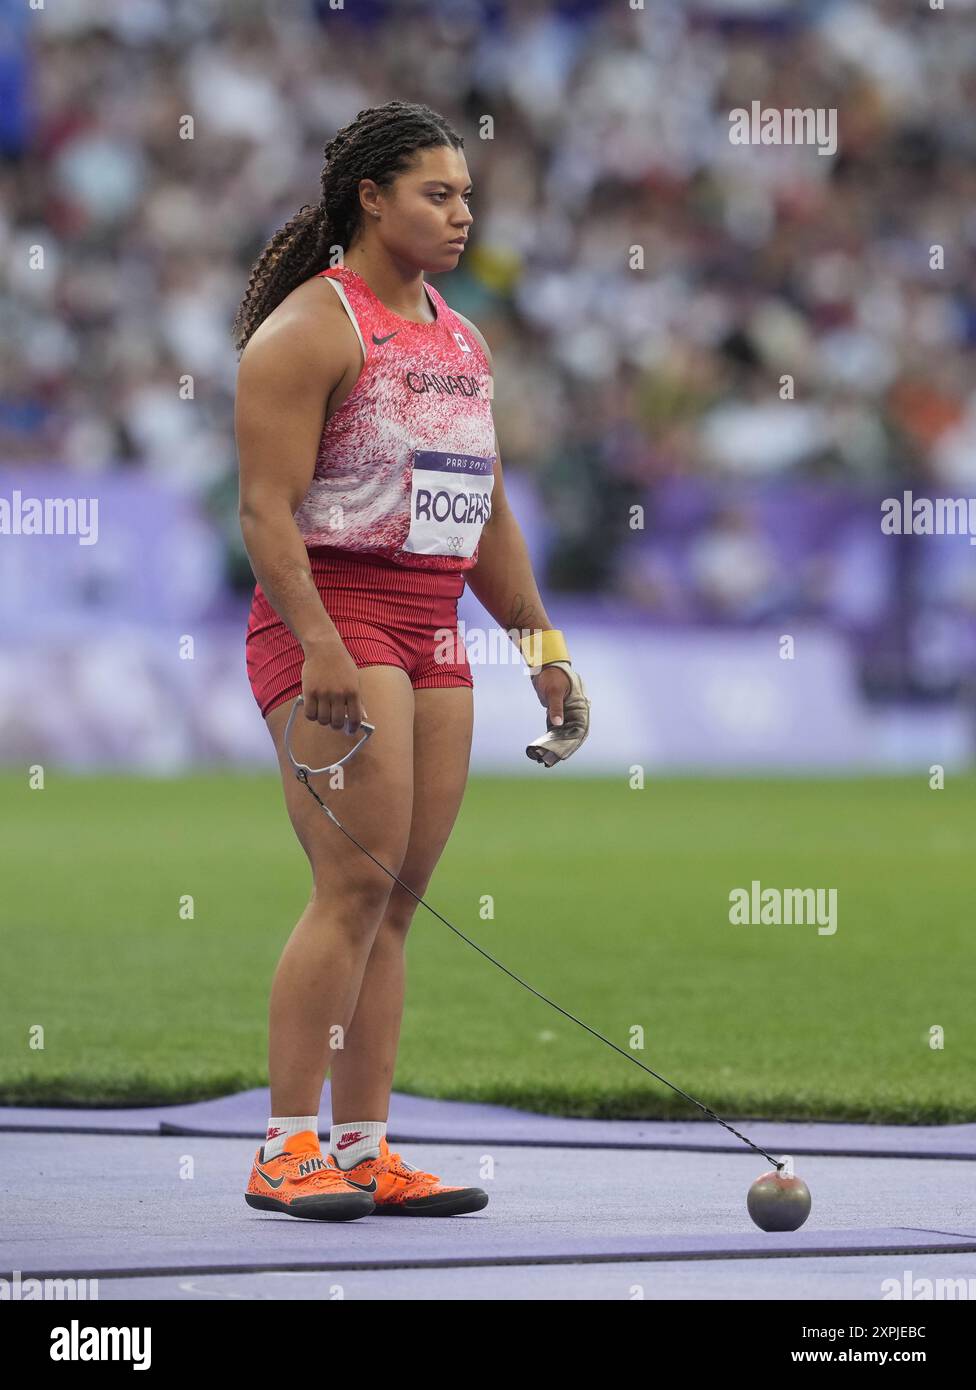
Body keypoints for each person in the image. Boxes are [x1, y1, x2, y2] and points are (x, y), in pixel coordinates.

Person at [233, 100, 588, 1221]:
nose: (461, 213)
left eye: (468, 195)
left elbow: (483, 516)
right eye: (437, 193)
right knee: (349, 884)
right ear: (371, 198)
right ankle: (285, 1147)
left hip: (432, 623)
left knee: (398, 899)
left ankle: (366, 1146)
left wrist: (541, 647)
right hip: (333, 614)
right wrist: (321, 644)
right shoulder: (309, 329)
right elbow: (263, 512)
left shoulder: (461, 338)